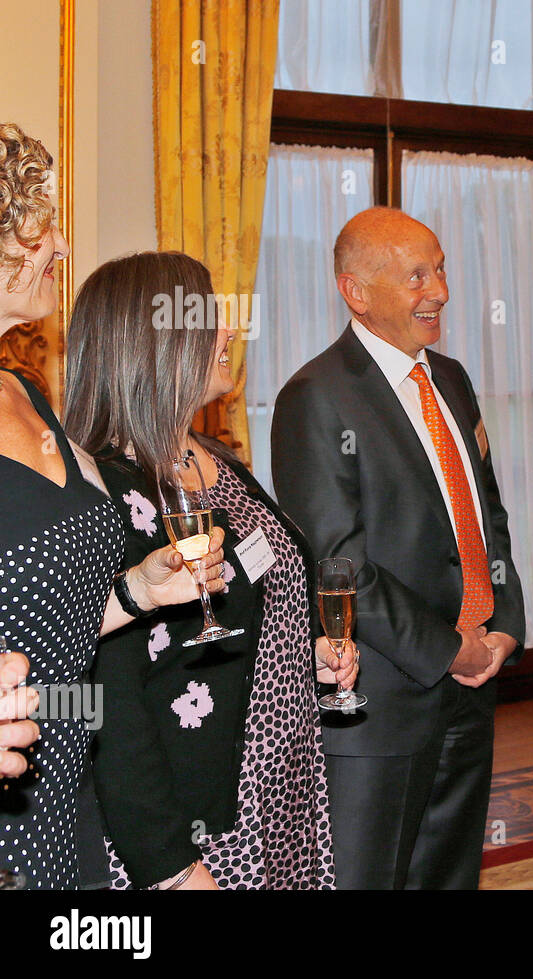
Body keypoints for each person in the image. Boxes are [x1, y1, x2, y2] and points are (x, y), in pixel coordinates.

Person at [63, 251, 356, 890]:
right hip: (192, 828)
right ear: (152, 342)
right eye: (210, 319)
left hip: (278, 788)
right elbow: (106, 702)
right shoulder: (106, 494)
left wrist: (307, 650)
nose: (230, 332)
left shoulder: (213, 460)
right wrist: (170, 866)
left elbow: (259, 595)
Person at [271, 207, 525, 890]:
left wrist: (503, 625)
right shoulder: (314, 398)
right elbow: (337, 561)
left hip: (472, 685)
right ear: (357, 291)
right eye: (417, 275)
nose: (438, 290)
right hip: (380, 702)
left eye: (440, 268)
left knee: (449, 875)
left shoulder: (452, 378)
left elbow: (487, 515)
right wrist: (448, 646)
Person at [0, 123, 225, 890]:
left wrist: (137, 592)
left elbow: (39, 618)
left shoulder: (25, 391)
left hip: (67, 800)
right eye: (38, 228)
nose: (61, 248)